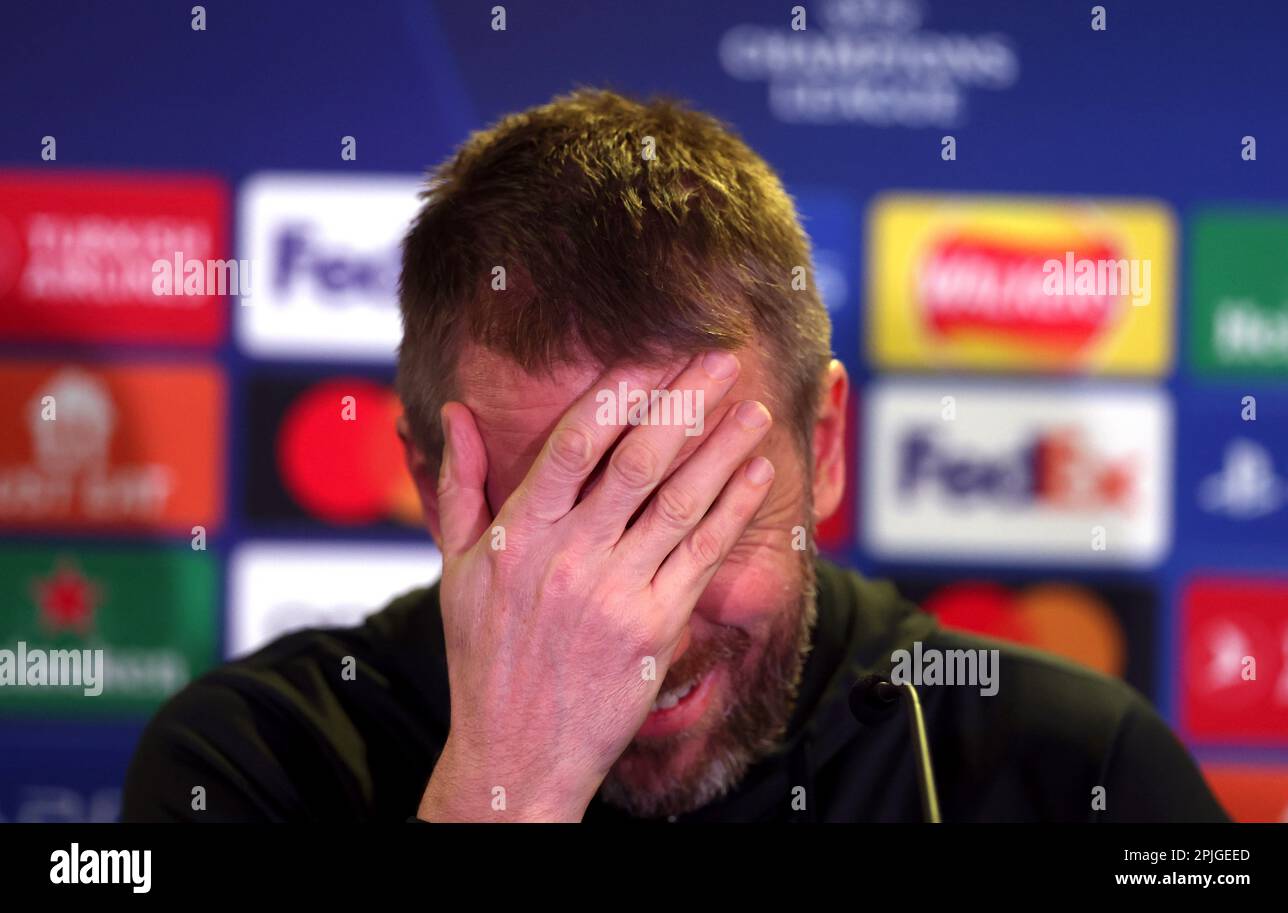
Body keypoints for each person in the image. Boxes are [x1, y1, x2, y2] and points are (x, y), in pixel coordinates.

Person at [122, 89, 1228, 823]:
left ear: (825, 445)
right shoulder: (248, 767)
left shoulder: (1081, 773)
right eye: (567, 520)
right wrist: (507, 787)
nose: (633, 621)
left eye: (695, 509)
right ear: (431, 481)